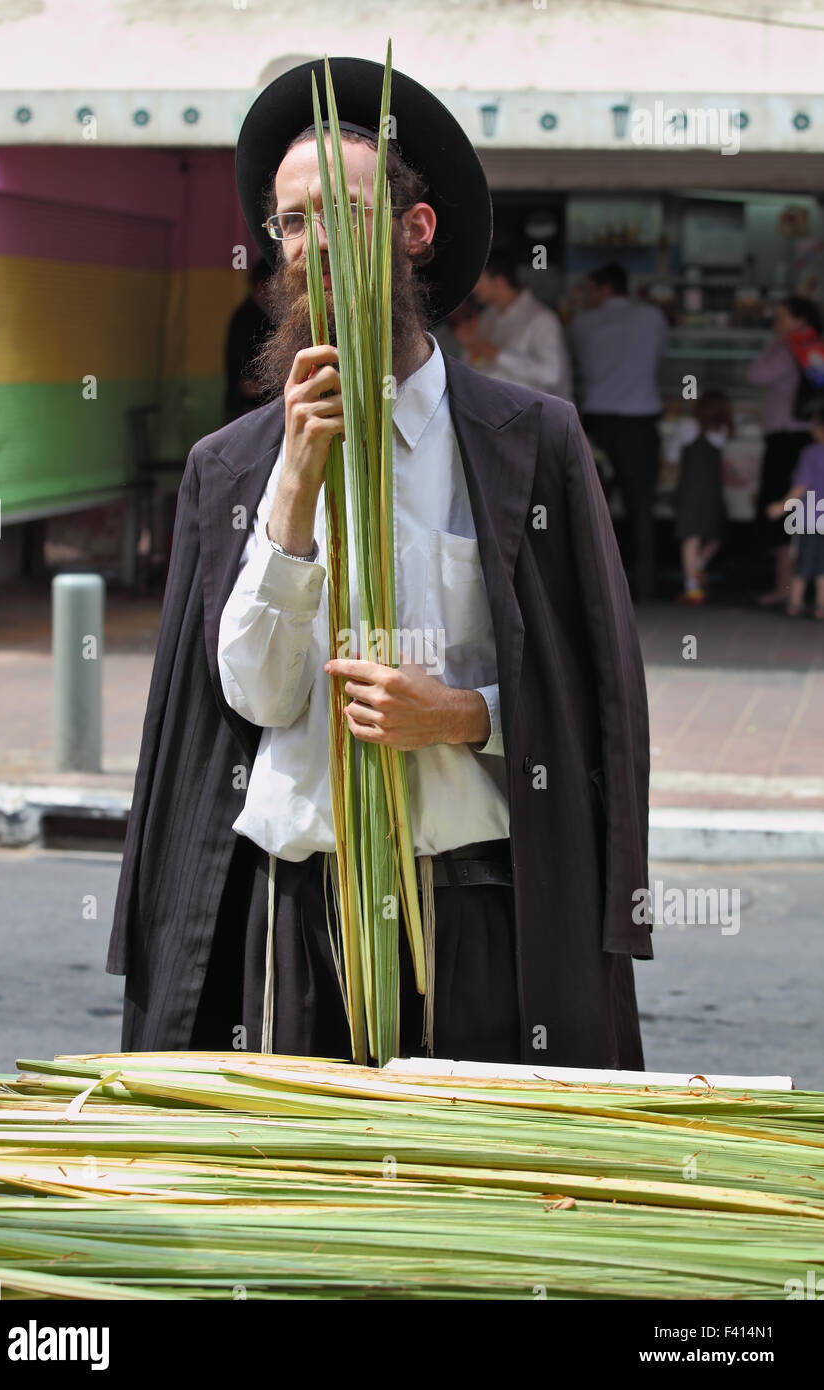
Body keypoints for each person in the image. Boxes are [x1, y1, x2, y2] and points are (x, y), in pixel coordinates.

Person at [106, 56, 652, 1070]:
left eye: (341, 215)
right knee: (301, 1212)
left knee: (468, 1205)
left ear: (413, 231)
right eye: (292, 223)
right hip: (290, 904)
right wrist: (297, 490)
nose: (313, 247)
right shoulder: (231, 468)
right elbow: (251, 700)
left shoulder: (530, 443)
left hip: (477, 908)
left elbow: (596, 689)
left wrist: (462, 713)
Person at [568, 263, 669, 601]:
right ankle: (647, 584)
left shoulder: (582, 323)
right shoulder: (653, 318)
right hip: (640, 421)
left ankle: (602, 587)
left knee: (595, 507)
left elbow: (578, 361)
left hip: (597, 421)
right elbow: (661, 355)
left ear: (602, 289)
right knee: (641, 506)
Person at [748, 297, 818, 607]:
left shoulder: (791, 349)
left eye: (781, 317)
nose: (776, 323)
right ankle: (803, 592)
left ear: (799, 320)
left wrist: (777, 342)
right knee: (810, 515)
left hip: (786, 438)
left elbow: (756, 375)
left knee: (787, 514)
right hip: (805, 436)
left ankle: (786, 589)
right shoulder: (813, 349)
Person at [452, 252, 572, 398]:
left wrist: (497, 354)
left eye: (479, 281)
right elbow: (477, 364)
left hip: (526, 413)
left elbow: (551, 374)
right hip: (488, 407)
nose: (474, 288)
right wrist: (471, 345)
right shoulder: (487, 317)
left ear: (499, 282)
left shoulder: (540, 318)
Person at [667, 390, 734, 605]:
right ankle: (697, 573)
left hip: (689, 489)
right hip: (712, 491)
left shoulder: (687, 426)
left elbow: (672, 456)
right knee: (716, 534)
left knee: (691, 538)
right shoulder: (721, 431)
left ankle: (692, 583)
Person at [766, 404, 824, 619]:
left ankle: (796, 602)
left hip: (810, 520)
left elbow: (800, 486)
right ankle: (821, 605)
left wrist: (780, 507)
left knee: (803, 562)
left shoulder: (812, 453)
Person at [223, 258, 273, 423]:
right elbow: (245, 381)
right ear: (262, 286)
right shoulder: (245, 319)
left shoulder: (267, 315)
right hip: (248, 409)